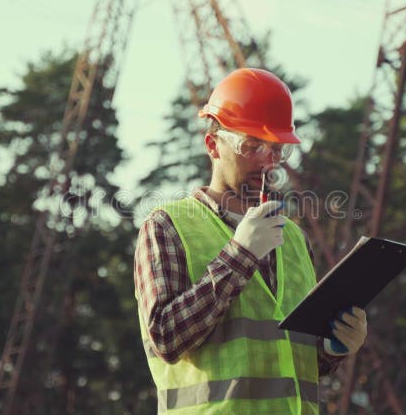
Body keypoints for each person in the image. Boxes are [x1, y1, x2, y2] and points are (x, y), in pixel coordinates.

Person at [134, 68, 368, 414]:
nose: (268, 162)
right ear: (213, 145)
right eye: (251, 146)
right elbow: (167, 338)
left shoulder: (293, 238)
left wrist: (333, 348)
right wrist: (240, 254)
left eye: (277, 150)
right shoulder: (167, 226)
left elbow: (288, 358)